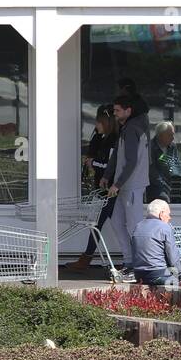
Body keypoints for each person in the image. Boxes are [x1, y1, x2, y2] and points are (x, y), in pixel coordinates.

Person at [104, 94, 152, 275]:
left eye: (117, 110)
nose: (114, 114)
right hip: (123, 185)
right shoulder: (127, 128)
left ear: (128, 111)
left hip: (131, 185)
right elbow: (117, 155)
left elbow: (131, 161)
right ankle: (129, 261)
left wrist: (117, 183)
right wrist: (109, 176)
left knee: (134, 225)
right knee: (116, 221)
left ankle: (140, 264)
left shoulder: (133, 130)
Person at [72, 105, 117, 271]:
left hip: (110, 191)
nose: (95, 126)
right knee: (97, 224)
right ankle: (86, 257)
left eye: (98, 122)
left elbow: (109, 165)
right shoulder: (101, 138)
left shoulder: (113, 141)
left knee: (109, 225)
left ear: (105, 122)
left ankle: (87, 258)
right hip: (103, 190)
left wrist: (92, 163)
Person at [130, 199, 181, 287]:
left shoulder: (138, 226)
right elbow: (172, 257)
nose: (169, 217)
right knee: (175, 282)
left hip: (139, 275)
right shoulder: (164, 227)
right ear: (161, 214)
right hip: (158, 275)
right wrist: (180, 277)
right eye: (168, 214)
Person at [148, 121, 180, 203]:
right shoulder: (150, 148)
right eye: (170, 135)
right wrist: (163, 184)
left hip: (171, 184)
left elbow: (176, 164)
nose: (173, 138)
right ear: (160, 135)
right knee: (164, 199)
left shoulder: (172, 146)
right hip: (155, 186)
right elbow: (151, 171)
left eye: (173, 134)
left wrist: (176, 178)